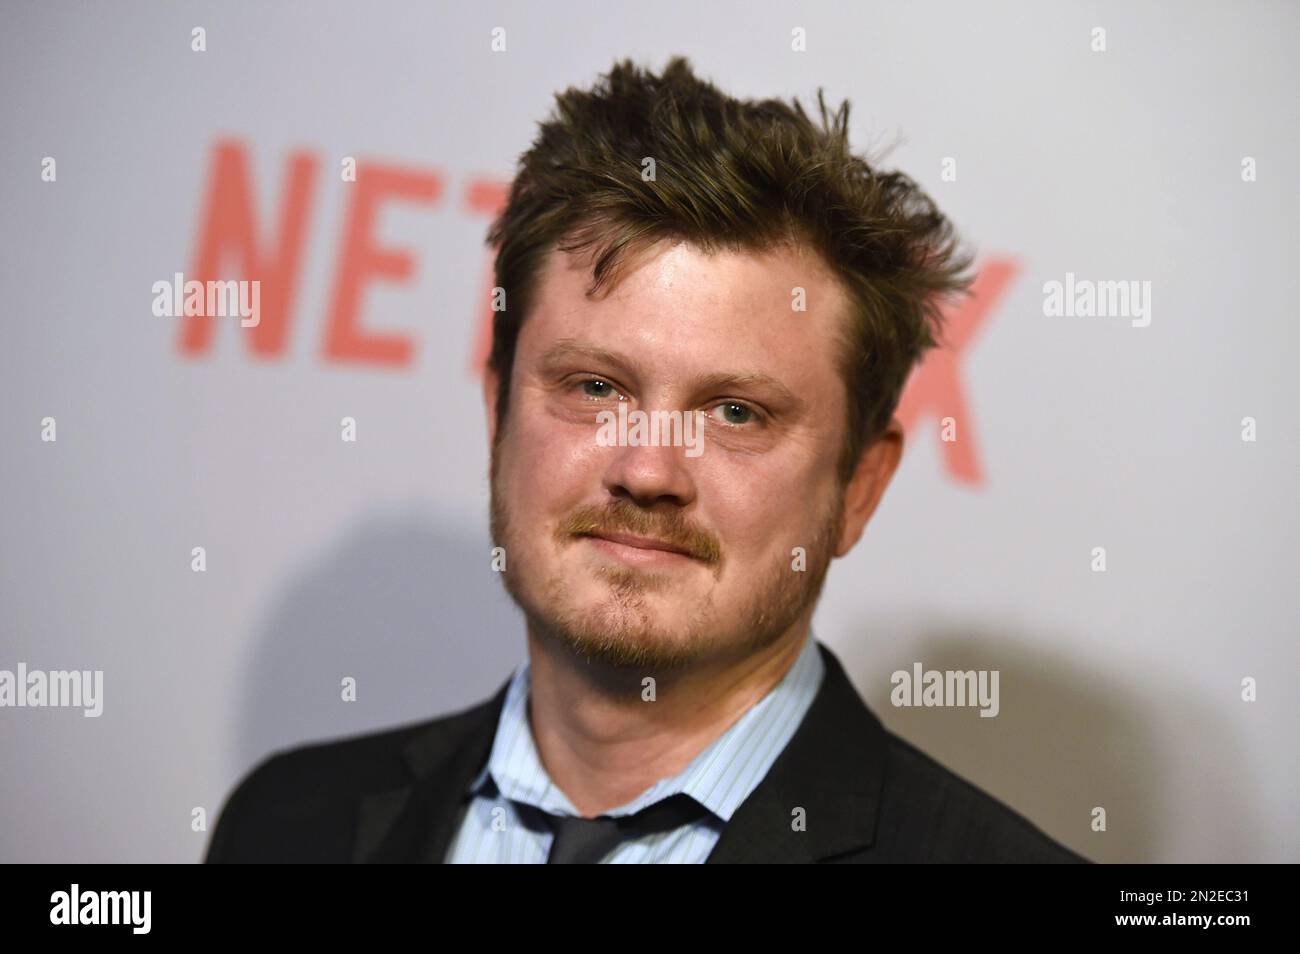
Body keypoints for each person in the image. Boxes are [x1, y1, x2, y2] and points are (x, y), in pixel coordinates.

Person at [206, 56, 1087, 864]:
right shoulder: (289, 824)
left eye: (736, 412)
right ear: (498, 414)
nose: (647, 471)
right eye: (594, 388)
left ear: (860, 487)